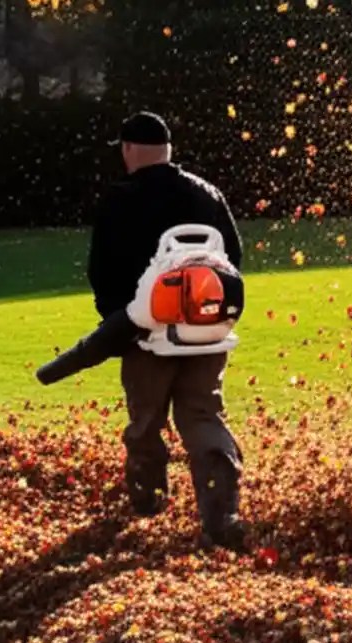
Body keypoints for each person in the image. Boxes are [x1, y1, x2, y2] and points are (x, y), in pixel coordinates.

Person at [87, 111, 248, 553]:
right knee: (202, 415)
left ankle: (148, 503)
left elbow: (101, 271)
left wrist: (119, 322)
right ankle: (223, 515)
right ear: (169, 149)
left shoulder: (119, 199)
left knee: (145, 421)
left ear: (128, 149)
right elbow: (232, 260)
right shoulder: (207, 193)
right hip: (206, 332)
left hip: (147, 335)